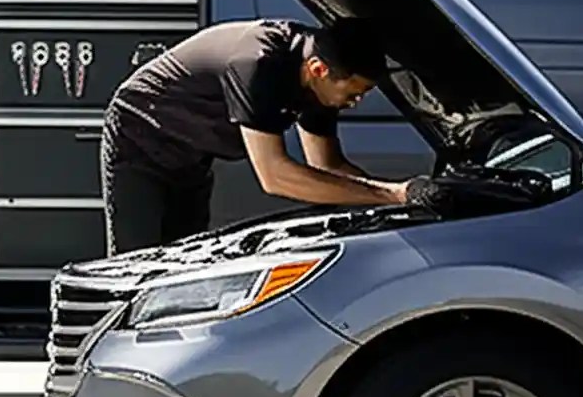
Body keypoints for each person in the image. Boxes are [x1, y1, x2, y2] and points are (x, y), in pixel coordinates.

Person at [99, 16, 429, 255]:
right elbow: (275, 177)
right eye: (354, 94)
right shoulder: (259, 63)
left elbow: (327, 167)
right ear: (318, 70)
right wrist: (394, 195)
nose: (355, 103)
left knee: (180, 265)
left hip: (191, 157)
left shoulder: (320, 79)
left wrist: (403, 203)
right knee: (135, 267)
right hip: (139, 137)